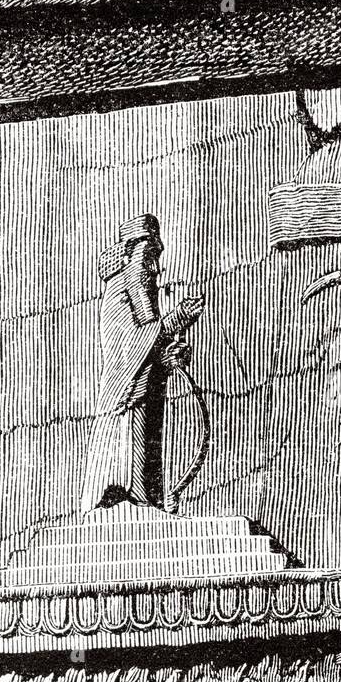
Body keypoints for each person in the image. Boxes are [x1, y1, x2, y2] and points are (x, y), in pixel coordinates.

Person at [79, 214, 204, 511]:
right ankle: (126, 496)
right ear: (132, 253)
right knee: (129, 450)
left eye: (156, 257)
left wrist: (165, 357)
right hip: (125, 395)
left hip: (140, 388)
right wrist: (179, 318)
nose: (155, 269)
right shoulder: (122, 287)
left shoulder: (133, 284)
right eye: (149, 256)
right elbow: (132, 345)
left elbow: (145, 345)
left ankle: (148, 499)